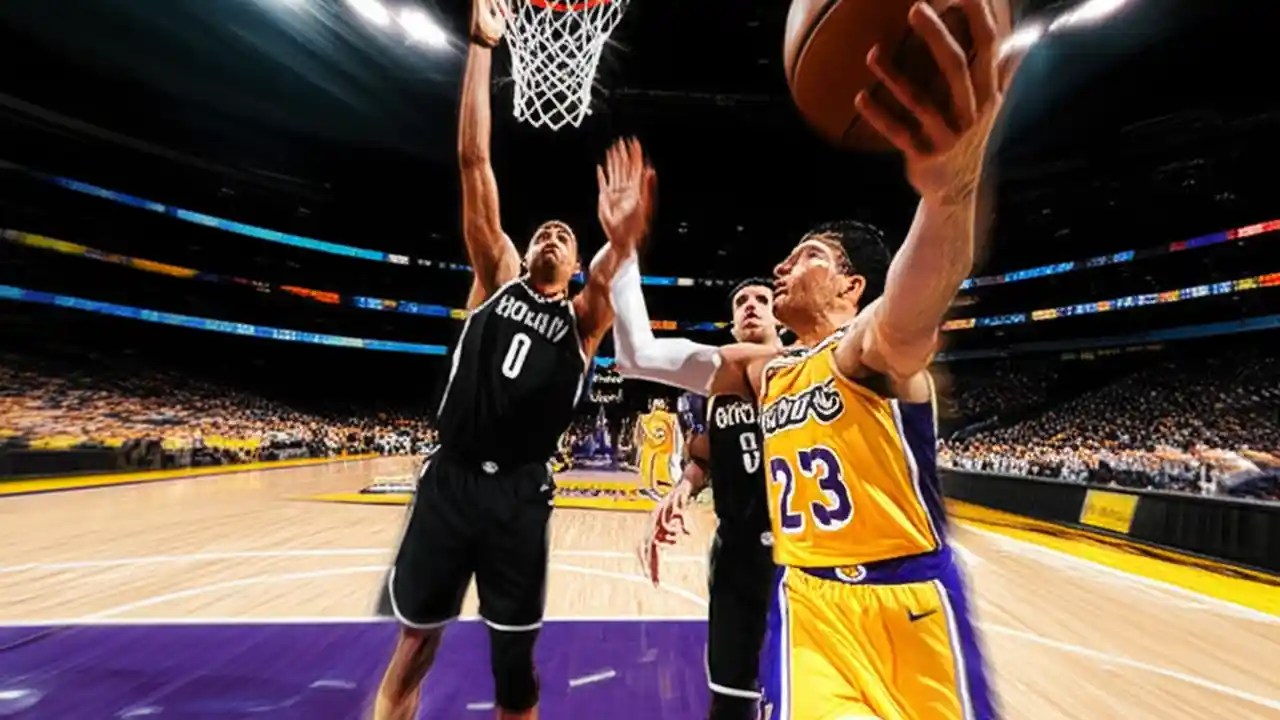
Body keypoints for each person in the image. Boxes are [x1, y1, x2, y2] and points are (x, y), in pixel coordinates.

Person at [608, 2, 1014, 717]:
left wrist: (949, 194)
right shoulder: (758, 372)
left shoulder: (869, 348)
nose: (782, 265)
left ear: (854, 285)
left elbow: (918, 298)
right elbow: (637, 354)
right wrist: (620, 252)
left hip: (910, 601)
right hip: (808, 602)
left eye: (809, 256)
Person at [371, 0, 656, 716]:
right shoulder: (495, 277)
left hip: (519, 494)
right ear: (523, 248)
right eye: (545, 231)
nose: (554, 235)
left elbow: (611, 265)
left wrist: (622, 242)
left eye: (566, 234)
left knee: (513, 667)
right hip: (451, 480)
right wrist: (478, 48)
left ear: (575, 259)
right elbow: (473, 159)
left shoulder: (583, 317)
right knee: (414, 642)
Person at [635, 278, 783, 720]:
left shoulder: (798, 372)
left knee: (802, 687)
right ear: (732, 322)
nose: (751, 306)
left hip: (798, 555)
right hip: (736, 551)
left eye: (762, 299)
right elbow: (702, 459)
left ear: (778, 315)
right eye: (741, 302)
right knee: (730, 692)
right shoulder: (708, 393)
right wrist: (682, 489)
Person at [636, 397, 682, 498]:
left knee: (650, 465)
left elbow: (639, 437)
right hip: (665, 452)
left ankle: (650, 487)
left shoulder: (645, 419)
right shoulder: (671, 418)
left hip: (651, 451)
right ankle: (656, 488)